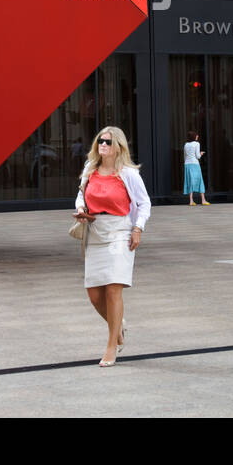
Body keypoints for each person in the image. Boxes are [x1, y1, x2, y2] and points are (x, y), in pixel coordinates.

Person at [72, 126, 150, 367]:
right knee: (94, 294)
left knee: (113, 289)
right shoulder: (90, 170)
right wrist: (82, 209)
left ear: (118, 147)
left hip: (120, 231)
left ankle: (112, 346)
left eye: (107, 142)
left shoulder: (128, 173)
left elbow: (144, 203)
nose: (102, 146)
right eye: (100, 142)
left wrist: (138, 228)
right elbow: (81, 196)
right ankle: (118, 327)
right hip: (96, 231)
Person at [183, 131, 209, 205]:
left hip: (187, 164)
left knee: (189, 181)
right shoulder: (197, 144)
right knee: (200, 181)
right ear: (194, 136)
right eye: (196, 135)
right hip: (195, 164)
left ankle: (191, 201)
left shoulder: (186, 145)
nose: (197, 136)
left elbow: (185, 156)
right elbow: (198, 156)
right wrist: (201, 153)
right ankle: (203, 200)